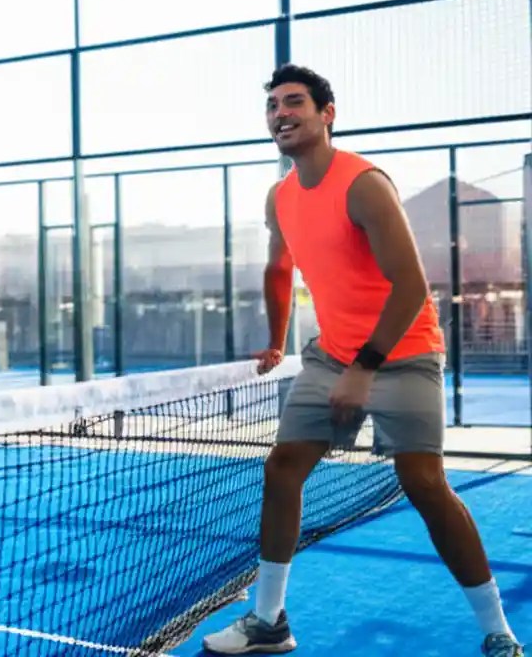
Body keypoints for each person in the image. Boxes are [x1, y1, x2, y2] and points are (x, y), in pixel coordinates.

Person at [203, 65, 522, 656]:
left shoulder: (364, 184)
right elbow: (279, 268)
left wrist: (363, 369)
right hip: (333, 355)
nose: (280, 114)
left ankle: (498, 631)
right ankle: (268, 622)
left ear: (327, 114)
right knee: (283, 470)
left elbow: (410, 285)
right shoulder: (280, 197)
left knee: (423, 485)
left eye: (294, 102)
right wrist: (277, 341)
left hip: (404, 351)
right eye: (272, 106)